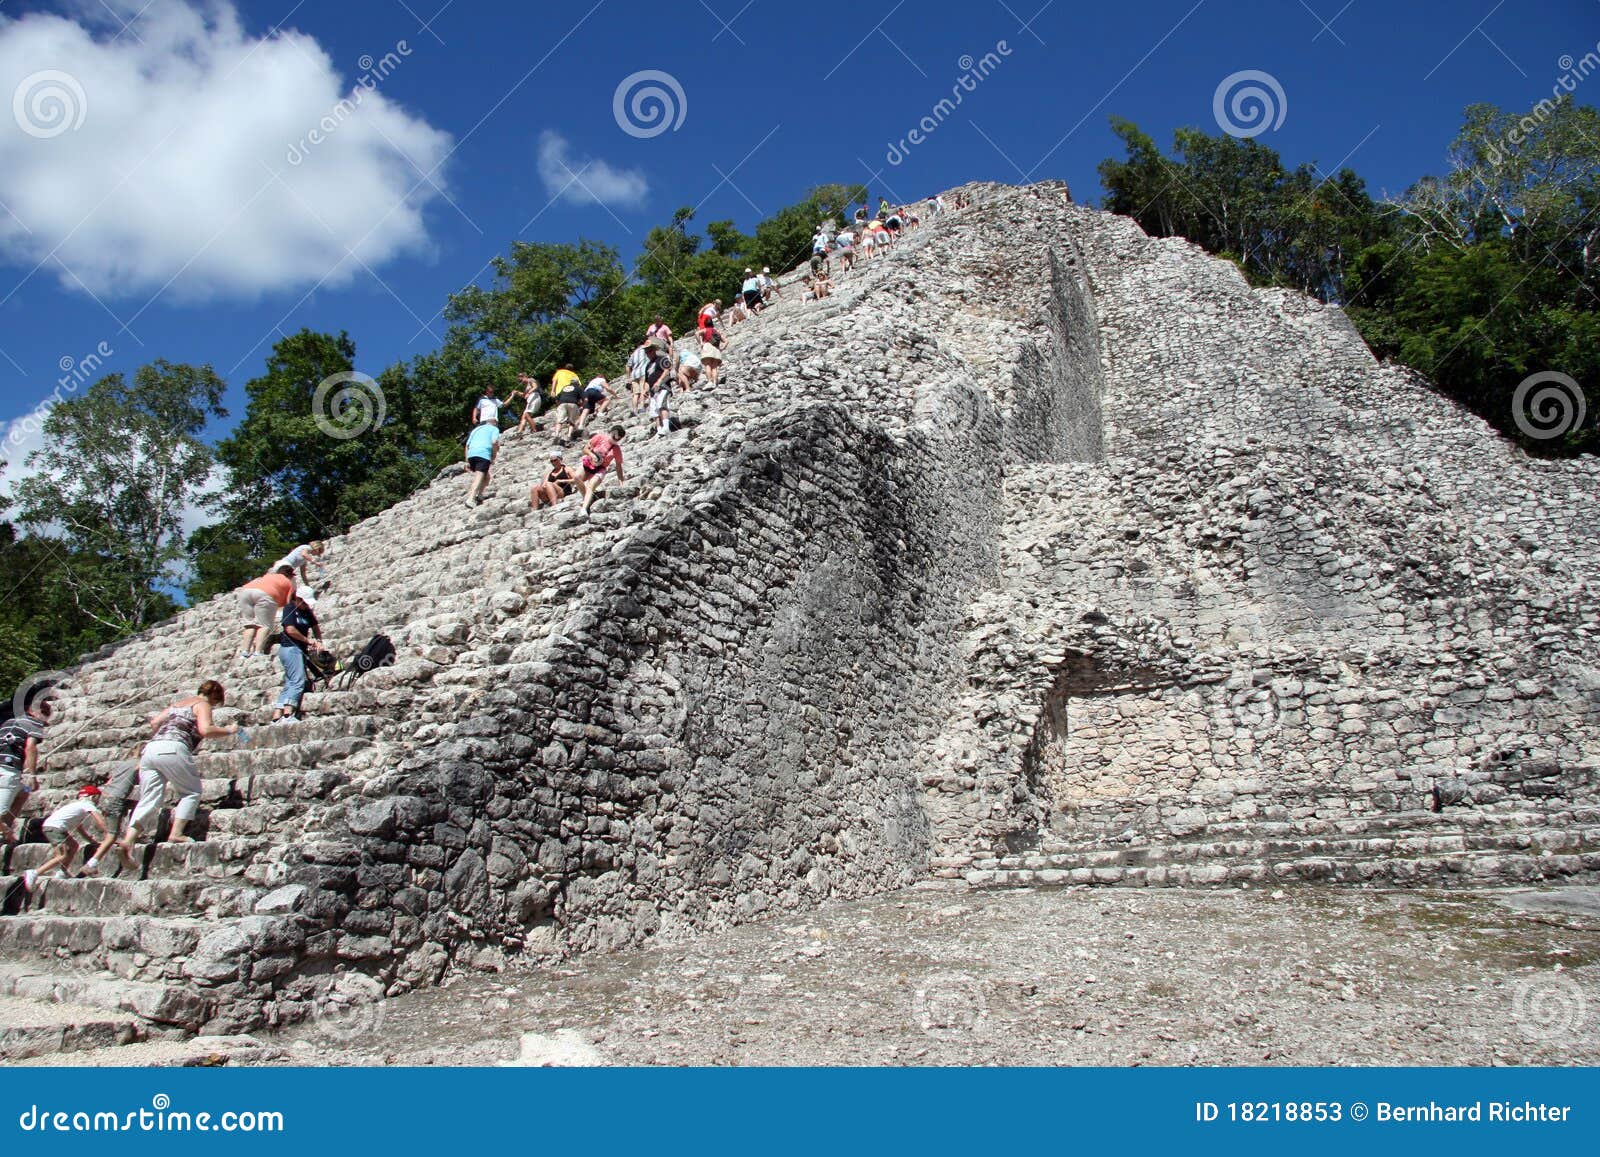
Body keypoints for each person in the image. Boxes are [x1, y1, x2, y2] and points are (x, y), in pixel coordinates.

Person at [116, 681, 238, 857]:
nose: (213, 705)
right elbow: (206, 730)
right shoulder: (202, 704)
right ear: (213, 695)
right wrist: (228, 730)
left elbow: (154, 722)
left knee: (149, 798)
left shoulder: (178, 704)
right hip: (173, 747)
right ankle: (176, 833)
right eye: (215, 701)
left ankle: (128, 840)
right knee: (191, 791)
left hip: (150, 749)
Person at [24, 786, 119, 888]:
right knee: (62, 855)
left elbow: (79, 828)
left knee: (74, 845)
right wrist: (110, 834)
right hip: (56, 828)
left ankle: (62, 872)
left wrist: (90, 840)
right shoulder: (88, 805)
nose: (98, 801)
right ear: (93, 797)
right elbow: (100, 821)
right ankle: (34, 873)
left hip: (53, 827)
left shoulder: (76, 806)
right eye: (97, 798)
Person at [0, 696, 50, 845]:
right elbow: (30, 747)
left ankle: (5, 828)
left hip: (4, 769)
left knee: (24, 792)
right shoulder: (34, 723)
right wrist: (32, 775)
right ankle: (7, 833)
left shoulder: (8, 723)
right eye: (46, 714)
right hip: (8, 772)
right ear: (36, 712)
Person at [272, 588, 326, 723]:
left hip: (299, 649)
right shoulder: (289, 608)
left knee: (290, 681)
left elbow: (315, 627)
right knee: (297, 681)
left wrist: (318, 641)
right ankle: (288, 714)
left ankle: (277, 715)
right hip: (290, 648)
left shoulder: (307, 611)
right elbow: (290, 629)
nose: (306, 605)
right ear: (298, 599)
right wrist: (308, 641)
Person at [236, 565, 296, 657]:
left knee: (250, 625)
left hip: (245, 592)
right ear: (290, 575)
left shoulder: (268, 576)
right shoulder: (288, 582)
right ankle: (257, 652)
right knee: (263, 625)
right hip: (265, 595)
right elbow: (288, 603)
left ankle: (245, 652)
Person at [575, 427, 626, 513]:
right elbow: (585, 449)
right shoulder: (599, 437)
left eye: (618, 438)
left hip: (600, 469)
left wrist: (621, 482)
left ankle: (584, 509)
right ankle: (587, 498)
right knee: (576, 477)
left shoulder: (616, 449)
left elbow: (618, 466)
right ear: (611, 433)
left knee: (591, 485)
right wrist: (592, 455)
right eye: (615, 436)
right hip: (588, 463)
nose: (616, 439)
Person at [464, 419, 500, 506]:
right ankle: (471, 498)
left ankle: (479, 494)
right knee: (479, 477)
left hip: (471, 454)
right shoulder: (494, 429)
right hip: (483, 454)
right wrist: (493, 456)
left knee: (486, 477)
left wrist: (467, 460)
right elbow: (494, 442)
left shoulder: (476, 429)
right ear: (495, 424)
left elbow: (467, 445)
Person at [626, 342, 652, 412]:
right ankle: (642, 407)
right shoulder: (645, 350)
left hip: (634, 375)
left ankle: (635, 409)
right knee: (643, 390)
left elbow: (628, 366)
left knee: (636, 393)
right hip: (643, 373)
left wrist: (628, 378)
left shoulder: (633, 354)